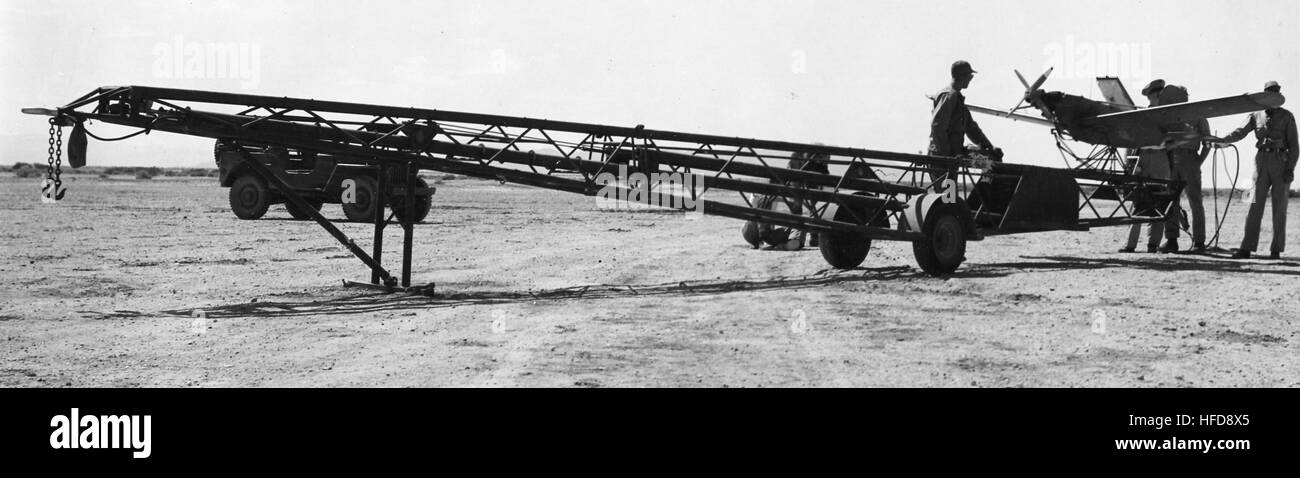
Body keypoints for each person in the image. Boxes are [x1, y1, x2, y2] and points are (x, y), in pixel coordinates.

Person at [1222, 81, 1297, 260]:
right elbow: (1240, 131)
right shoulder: (1256, 115)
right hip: (1261, 160)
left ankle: (1276, 250)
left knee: (1279, 208)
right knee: (1253, 204)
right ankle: (1246, 248)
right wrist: (1223, 140)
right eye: (1270, 92)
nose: (1273, 94)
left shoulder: (1287, 116)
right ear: (1264, 94)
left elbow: (1294, 145)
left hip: (1281, 161)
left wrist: (1290, 168)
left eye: (1276, 92)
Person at [1155, 84, 1212, 253]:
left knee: (1195, 202)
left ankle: (1199, 242)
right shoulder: (1169, 116)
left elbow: (1207, 142)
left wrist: (1197, 162)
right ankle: (1171, 240)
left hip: (1190, 159)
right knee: (1170, 201)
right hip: (1172, 160)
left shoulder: (1199, 115)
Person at [1120, 80, 1171, 253]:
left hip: (1159, 161)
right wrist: (1130, 163)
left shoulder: (1167, 115)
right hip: (1144, 161)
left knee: (1159, 202)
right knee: (1138, 202)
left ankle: (1152, 244)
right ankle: (1130, 244)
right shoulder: (1142, 115)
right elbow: (1131, 141)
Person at [929, 60, 996, 183]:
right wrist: (948, 155)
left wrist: (990, 147)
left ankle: (983, 199)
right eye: (970, 76)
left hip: (956, 154)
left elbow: (971, 128)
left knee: (990, 163)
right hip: (942, 157)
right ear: (963, 76)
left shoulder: (958, 99)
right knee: (948, 197)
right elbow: (937, 126)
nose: (971, 79)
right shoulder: (950, 96)